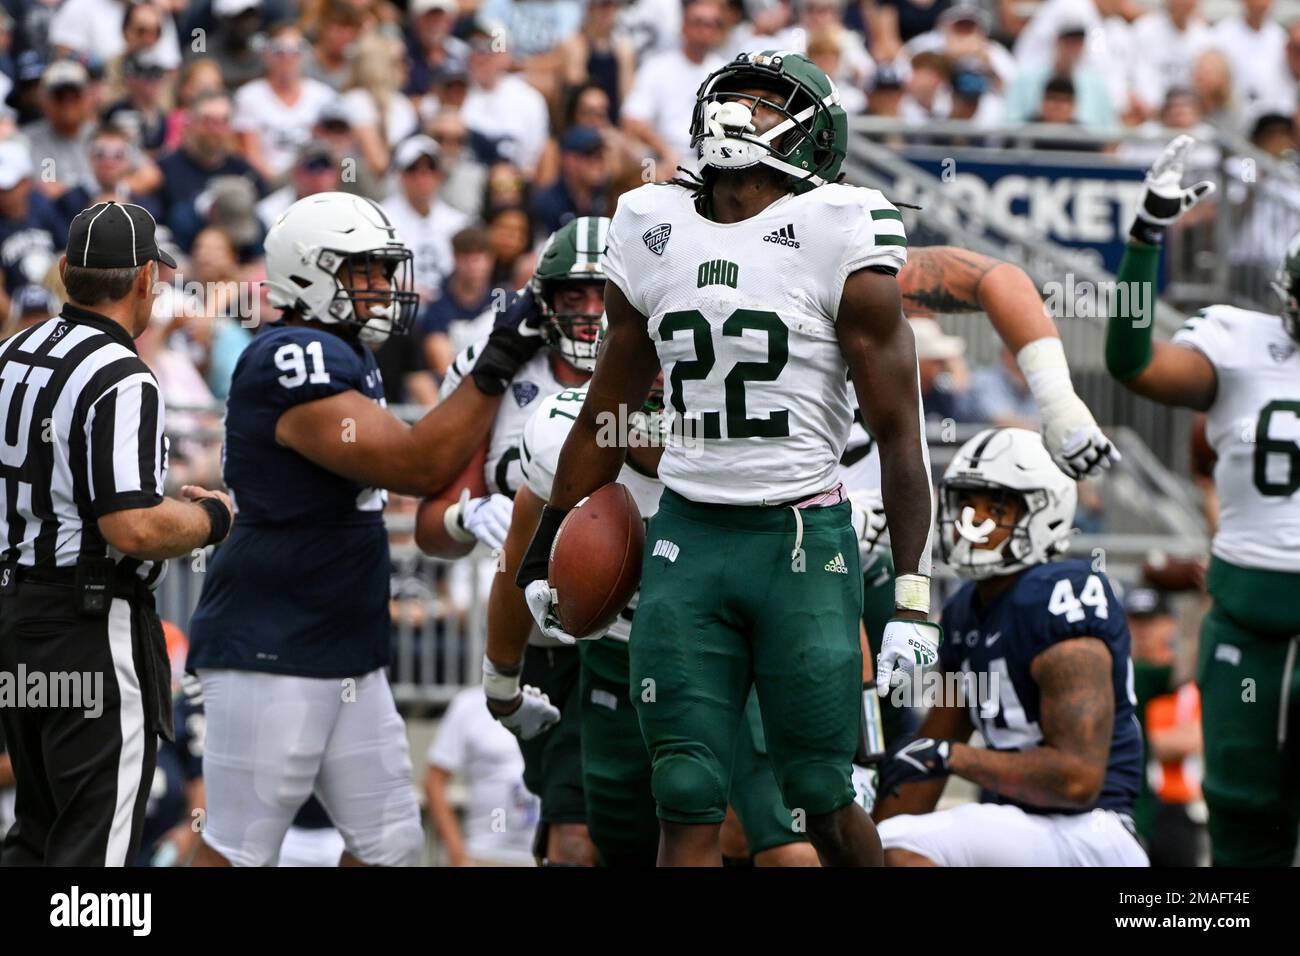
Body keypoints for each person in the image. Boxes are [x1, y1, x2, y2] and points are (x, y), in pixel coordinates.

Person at [515, 51, 936, 867]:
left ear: (814, 140)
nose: (743, 112)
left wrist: (914, 598)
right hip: (688, 537)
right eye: (735, 95)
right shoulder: (649, 223)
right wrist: (546, 545)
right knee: (683, 790)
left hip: (802, 542)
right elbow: (608, 405)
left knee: (822, 789)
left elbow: (899, 434)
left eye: (769, 103)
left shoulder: (842, 229)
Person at [183, 191, 546, 867]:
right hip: (275, 645)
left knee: (391, 849)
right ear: (309, 272)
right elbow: (417, 462)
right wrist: (501, 352)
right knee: (236, 853)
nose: (382, 289)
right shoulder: (291, 354)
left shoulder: (343, 354)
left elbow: (423, 458)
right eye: (365, 273)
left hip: (344, 644)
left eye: (384, 272)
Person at [0, 201, 233, 866]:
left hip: (16, 616)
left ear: (69, 272)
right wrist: (211, 518)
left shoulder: (12, 353)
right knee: (93, 852)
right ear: (145, 282)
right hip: (88, 623)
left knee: (38, 834)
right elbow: (131, 524)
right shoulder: (122, 373)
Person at [1105, 134, 1300, 866]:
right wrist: (1145, 241)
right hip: (1248, 620)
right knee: (1245, 813)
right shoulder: (1242, 342)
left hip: (1248, 612)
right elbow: (1131, 360)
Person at [414, 217, 607, 865]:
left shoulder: (661, 361)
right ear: (543, 302)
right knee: (574, 826)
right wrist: (467, 517)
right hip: (544, 636)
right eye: (573, 295)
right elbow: (427, 526)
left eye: (603, 293)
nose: (589, 311)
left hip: (644, 625)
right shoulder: (497, 366)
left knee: (638, 824)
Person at [872, 427, 1148, 866]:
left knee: (904, 844)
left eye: (995, 508)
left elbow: (1078, 779)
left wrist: (953, 757)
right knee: (880, 840)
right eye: (967, 503)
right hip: (1021, 830)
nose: (973, 522)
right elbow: (930, 757)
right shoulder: (966, 609)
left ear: (1044, 514)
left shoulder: (1062, 595)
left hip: (1090, 830)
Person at [425, 685, 540, 866]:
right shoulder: (469, 704)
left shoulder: (554, 698)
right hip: (485, 854)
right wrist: (458, 855)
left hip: (541, 856)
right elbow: (434, 781)